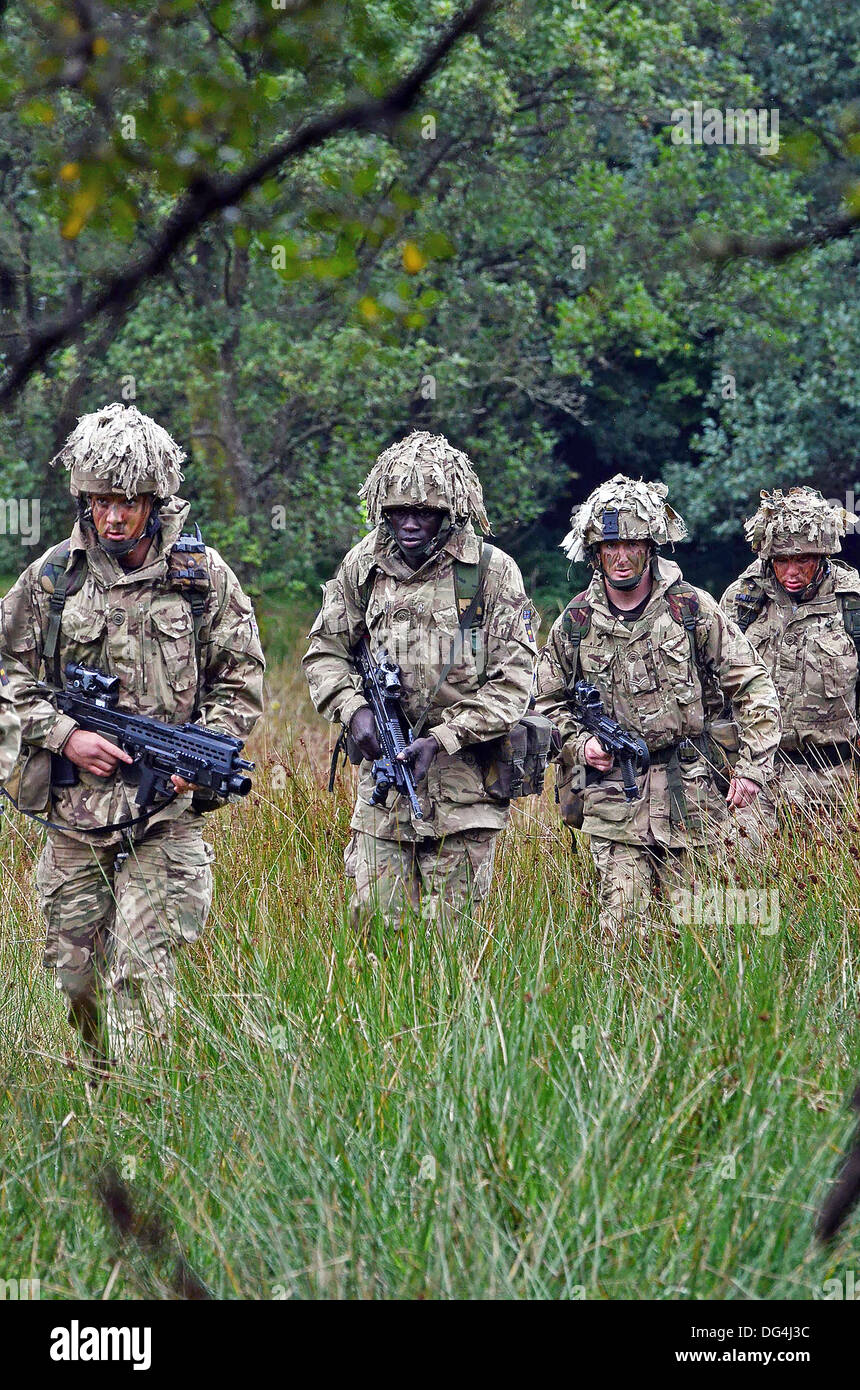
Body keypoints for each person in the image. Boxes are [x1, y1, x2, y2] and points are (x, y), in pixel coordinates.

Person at [0, 403, 264, 1068]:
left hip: (165, 815)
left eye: (129, 502)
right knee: (72, 973)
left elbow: (242, 681)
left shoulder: (202, 580)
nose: (114, 517)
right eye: (100, 502)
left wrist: (194, 762)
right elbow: (7, 676)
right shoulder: (53, 579)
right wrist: (62, 736)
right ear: (82, 499)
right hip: (75, 815)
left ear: (155, 500)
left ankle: (141, 1119)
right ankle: (95, 1089)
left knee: (142, 974)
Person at [303, 430, 537, 932]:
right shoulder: (363, 566)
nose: (409, 524)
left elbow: (514, 683)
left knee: (450, 943)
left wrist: (443, 738)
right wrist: (354, 709)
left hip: (465, 793)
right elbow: (325, 651)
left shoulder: (491, 572)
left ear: (451, 511)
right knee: (373, 934)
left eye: (424, 512)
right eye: (396, 511)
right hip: (383, 794)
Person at [534, 474, 780, 939]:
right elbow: (546, 702)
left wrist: (751, 769)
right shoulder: (576, 622)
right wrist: (581, 744)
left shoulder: (691, 609)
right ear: (595, 551)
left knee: (703, 932)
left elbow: (752, 686)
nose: (621, 557)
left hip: (692, 793)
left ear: (651, 547)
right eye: (610, 546)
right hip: (612, 798)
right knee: (623, 933)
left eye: (632, 544)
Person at [720, 486, 860, 833]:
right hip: (754, 777)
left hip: (834, 780)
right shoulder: (743, 601)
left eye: (803, 560)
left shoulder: (852, 602)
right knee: (746, 876)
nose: (791, 571)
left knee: (832, 881)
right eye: (782, 560)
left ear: (822, 556)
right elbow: (713, 684)